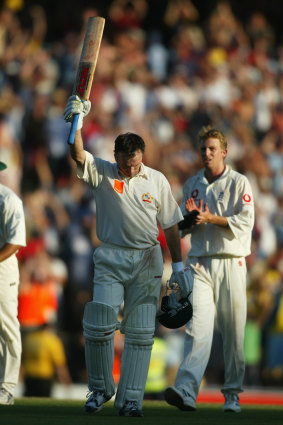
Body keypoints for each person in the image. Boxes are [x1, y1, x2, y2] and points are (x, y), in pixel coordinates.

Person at [63, 96, 191, 417]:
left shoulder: (156, 179)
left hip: (148, 259)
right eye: (125, 162)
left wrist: (177, 266)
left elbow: (172, 226)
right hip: (110, 256)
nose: (130, 168)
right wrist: (76, 123)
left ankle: (131, 399)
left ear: (142, 156)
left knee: (141, 330)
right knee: (99, 321)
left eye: (135, 163)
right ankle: (99, 390)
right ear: (115, 155)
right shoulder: (103, 172)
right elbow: (77, 153)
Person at [164, 126, 255, 413]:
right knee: (197, 329)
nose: (207, 153)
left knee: (232, 332)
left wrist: (211, 218)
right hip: (200, 263)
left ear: (224, 152)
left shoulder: (240, 182)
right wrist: (191, 219)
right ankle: (187, 392)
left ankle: (232, 396)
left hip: (231, 260)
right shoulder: (192, 183)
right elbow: (181, 228)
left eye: (212, 148)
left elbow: (245, 222)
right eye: (203, 148)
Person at [0, 161, 26, 405]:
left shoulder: (9, 200)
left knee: (6, 327)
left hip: (2, 273)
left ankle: (6, 387)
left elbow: (15, 242)